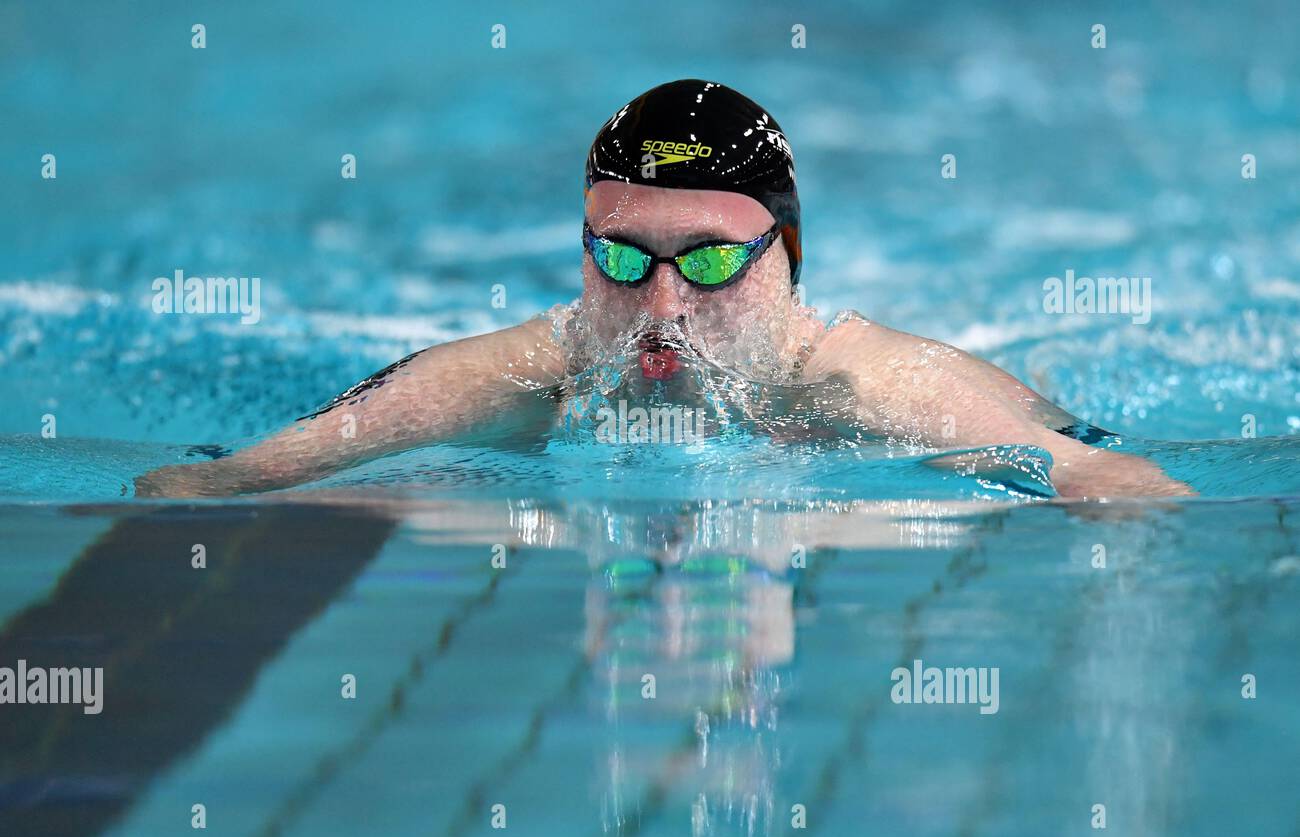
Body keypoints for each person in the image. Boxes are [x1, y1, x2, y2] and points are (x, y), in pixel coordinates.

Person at [136, 79, 1191, 499]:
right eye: (624, 257)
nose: (663, 309)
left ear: (788, 254)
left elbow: (1124, 483)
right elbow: (215, 481)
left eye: (715, 260)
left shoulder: (878, 391)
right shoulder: (510, 380)